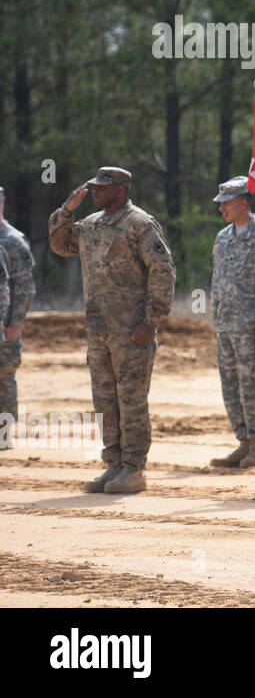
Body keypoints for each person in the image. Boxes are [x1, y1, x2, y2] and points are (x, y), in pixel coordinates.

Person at [50, 167, 175, 494]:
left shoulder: (140, 224)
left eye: (102, 188)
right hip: (99, 331)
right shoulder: (90, 225)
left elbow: (162, 269)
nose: (95, 192)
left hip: (132, 331)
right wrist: (66, 210)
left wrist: (151, 319)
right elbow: (61, 244)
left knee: (131, 400)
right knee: (105, 401)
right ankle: (114, 464)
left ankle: (134, 469)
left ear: (120, 189)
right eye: (93, 188)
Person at [209, 177, 255, 469]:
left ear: (243, 202)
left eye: (226, 202)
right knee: (231, 386)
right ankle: (244, 441)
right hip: (226, 325)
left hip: (252, 327)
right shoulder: (223, 237)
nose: (221, 208)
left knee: (253, 387)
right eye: (220, 203)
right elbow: (217, 279)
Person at [0, 187, 36, 450]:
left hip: (5, 325)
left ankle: (3, 434)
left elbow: (25, 287)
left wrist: (15, 324)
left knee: (3, 376)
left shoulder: (13, 241)